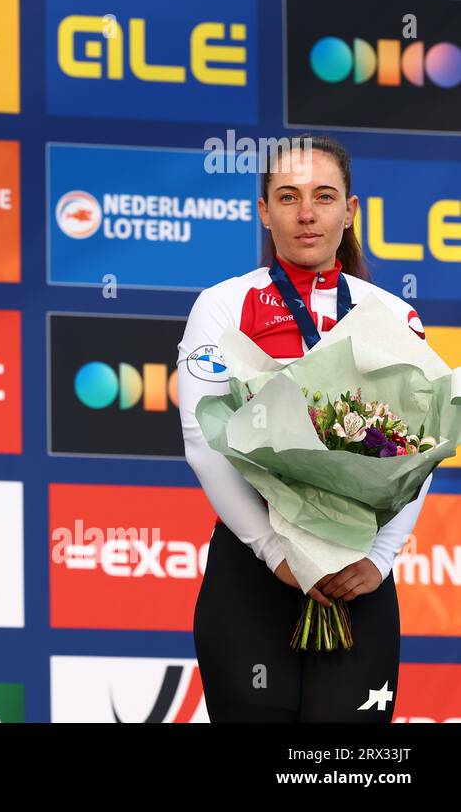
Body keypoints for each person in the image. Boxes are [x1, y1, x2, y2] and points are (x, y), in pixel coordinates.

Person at [177, 135, 427, 722]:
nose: (307, 213)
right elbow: (203, 438)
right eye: (288, 197)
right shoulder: (221, 304)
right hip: (255, 569)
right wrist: (275, 552)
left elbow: (421, 452)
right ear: (264, 211)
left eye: (324, 196)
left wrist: (382, 558)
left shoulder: (394, 314)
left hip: (356, 575)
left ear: (351, 210)